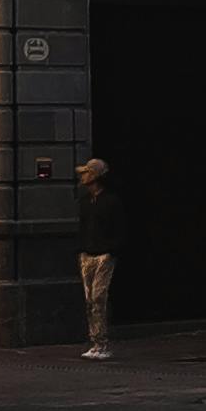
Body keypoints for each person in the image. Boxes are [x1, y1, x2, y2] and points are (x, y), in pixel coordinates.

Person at [75, 154, 125, 359]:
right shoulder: (86, 201)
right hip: (88, 254)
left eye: (87, 173)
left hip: (104, 254)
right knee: (90, 300)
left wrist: (111, 249)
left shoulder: (111, 201)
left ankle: (101, 342)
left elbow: (119, 228)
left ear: (95, 176)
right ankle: (94, 341)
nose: (83, 177)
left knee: (98, 297)